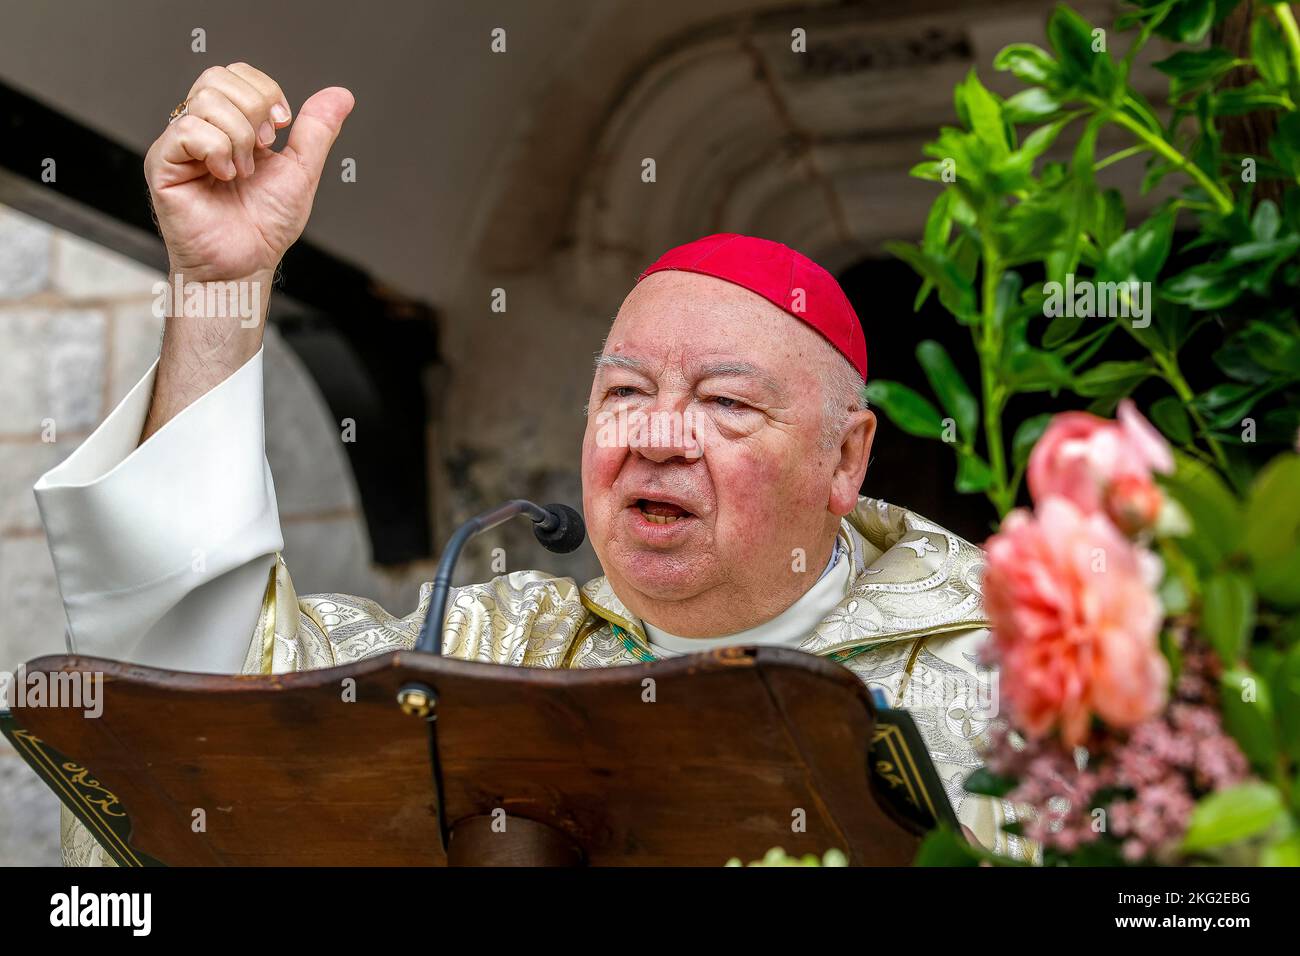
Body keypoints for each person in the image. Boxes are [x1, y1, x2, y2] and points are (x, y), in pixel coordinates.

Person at [35, 64, 1018, 865]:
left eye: (723, 401)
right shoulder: (490, 656)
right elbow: (203, 706)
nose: (654, 435)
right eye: (624, 394)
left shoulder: (1013, 672)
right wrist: (219, 288)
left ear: (843, 458)